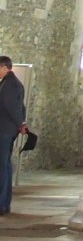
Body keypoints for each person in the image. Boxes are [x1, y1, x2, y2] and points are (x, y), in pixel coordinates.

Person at [0, 56, 27, 216]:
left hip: (4, 130)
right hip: (8, 129)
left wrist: (21, 124)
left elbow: (11, 107)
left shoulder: (9, 84)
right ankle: (4, 202)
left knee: (2, 166)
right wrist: (21, 122)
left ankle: (2, 204)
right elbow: (20, 107)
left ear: (4, 67)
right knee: (5, 165)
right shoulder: (12, 83)